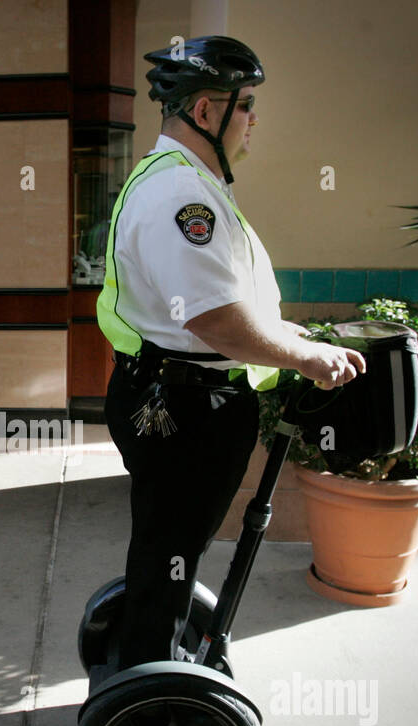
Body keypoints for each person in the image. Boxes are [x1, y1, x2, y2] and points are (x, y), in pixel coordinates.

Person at [97, 35, 366, 670]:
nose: (254, 121)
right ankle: (149, 686)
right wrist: (304, 359)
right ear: (208, 112)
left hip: (178, 394)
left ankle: (146, 647)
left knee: (169, 544)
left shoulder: (181, 181)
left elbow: (222, 307)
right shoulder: (181, 198)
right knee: (172, 546)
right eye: (246, 106)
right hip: (186, 407)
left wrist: (293, 339)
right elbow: (216, 321)